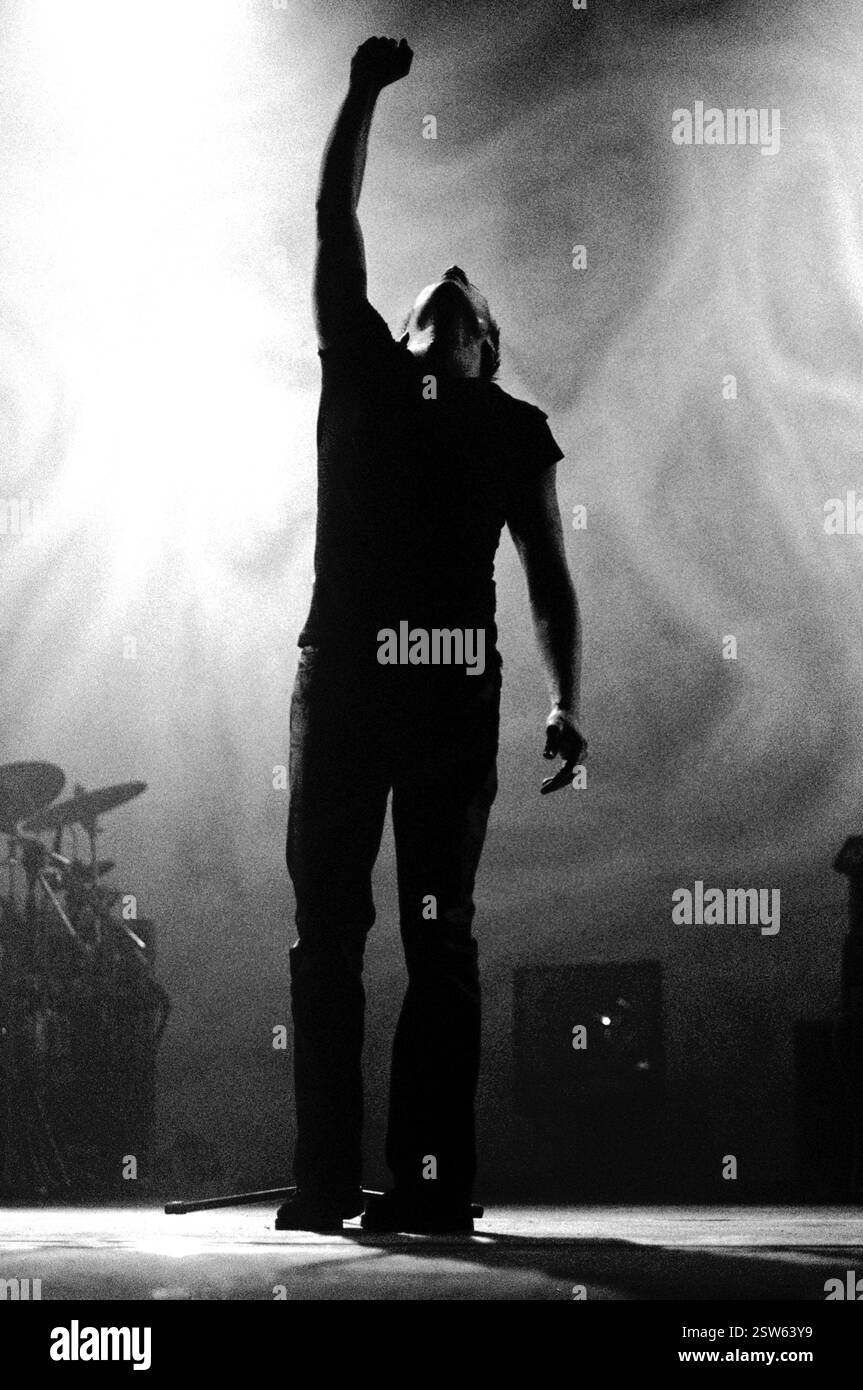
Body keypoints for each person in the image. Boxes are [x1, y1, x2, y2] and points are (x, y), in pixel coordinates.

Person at [278, 36, 587, 1234]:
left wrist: (568, 696)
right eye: (429, 292)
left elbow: (551, 581)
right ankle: (319, 1180)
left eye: (465, 303)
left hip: (451, 693)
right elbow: (328, 215)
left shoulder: (510, 427)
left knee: (437, 936)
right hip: (347, 686)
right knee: (325, 936)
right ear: (410, 329)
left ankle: (422, 1188)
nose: (447, 284)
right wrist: (359, 92)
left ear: (482, 344)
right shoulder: (355, 368)